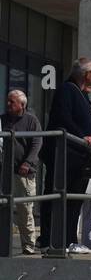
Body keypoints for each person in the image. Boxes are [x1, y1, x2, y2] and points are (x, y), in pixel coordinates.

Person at [43, 57, 91, 252]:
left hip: (80, 158)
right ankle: (48, 241)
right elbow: (62, 118)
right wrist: (82, 137)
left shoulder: (82, 96)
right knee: (56, 197)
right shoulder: (66, 90)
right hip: (65, 155)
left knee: (74, 201)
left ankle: (69, 240)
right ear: (86, 74)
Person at [2, 89, 42, 254]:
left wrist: (27, 162)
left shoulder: (31, 121)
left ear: (22, 105)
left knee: (24, 210)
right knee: (3, 208)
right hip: (4, 171)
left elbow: (37, 143)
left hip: (23, 172)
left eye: (12, 102)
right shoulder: (2, 119)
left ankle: (28, 245)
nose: (8, 105)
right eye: (8, 101)